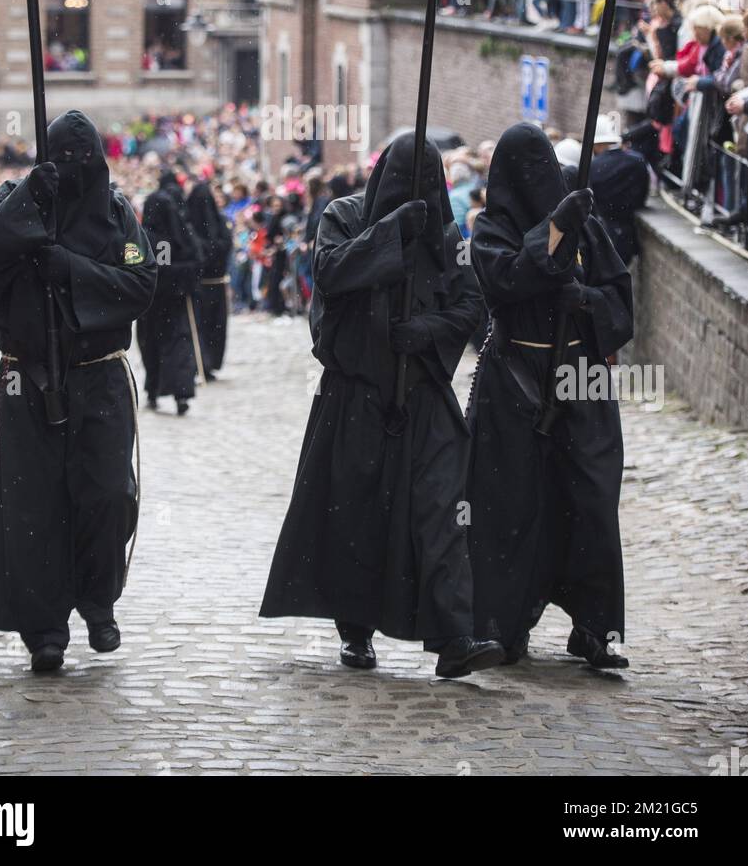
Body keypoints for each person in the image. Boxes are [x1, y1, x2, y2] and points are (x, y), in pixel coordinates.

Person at [260, 134, 504, 679]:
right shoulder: (342, 217)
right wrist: (393, 232)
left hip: (422, 392)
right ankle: (356, 629)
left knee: (440, 510)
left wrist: (427, 330)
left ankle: (453, 636)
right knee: (356, 513)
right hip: (356, 395)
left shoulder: (446, 235)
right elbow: (333, 273)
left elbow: (469, 302)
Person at [0, 110, 156, 675]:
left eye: (81, 161)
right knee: (31, 506)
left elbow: (141, 285)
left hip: (99, 373)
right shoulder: (10, 200)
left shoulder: (117, 213)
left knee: (108, 496)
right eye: (60, 161)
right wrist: (26, 206)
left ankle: (98, 602)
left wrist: (67, 267)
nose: (71, 171)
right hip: (27, 375)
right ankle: (43, 628)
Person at [467, 124, 633, 670]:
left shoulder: (589, 226)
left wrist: (582, 298)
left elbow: (619, 303)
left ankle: (595, 626)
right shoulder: (491, 228)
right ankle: (500, 624)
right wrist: (553, 231)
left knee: (590, 498)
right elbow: (507, 282)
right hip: (516, 375)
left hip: (580, 377)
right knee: (510, 503)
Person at [137, 172, 203, 415]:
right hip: (166, 300)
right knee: (173, 344)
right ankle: (173, 391)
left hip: (157, 301)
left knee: (155, 345)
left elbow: (163, 268)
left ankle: (165, 391)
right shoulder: (177, 236)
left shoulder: (153, 238)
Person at [589, 116, 650, 266]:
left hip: (602, 231)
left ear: (598, 144)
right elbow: (642, 195)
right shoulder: (637, 161)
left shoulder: (593, 166)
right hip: (627, 233)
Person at [187, 181, 232, 378]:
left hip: (210, 282)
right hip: (204, 283)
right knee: (209, 325)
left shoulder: (192, 221)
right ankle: (204, 361)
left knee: (209, 326)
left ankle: (208, 362)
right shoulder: (211, 221)